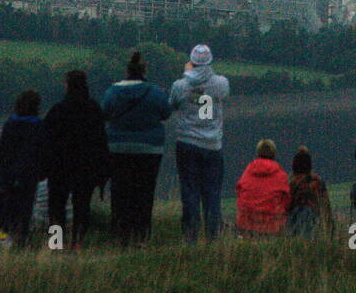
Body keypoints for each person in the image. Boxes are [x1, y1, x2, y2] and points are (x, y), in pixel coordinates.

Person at [102, 52, 171, 246]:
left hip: (118, 149)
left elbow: (104, 113)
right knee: (144, 193)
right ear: (144, 71)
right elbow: (166, 113)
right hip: (149, 150)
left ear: (127, 71)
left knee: (119, 192)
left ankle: (119, 234)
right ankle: (141, 236)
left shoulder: (112, 92)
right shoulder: (155, 92)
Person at [169, 44, 230, 243]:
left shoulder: (180, 85)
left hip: (187, 143)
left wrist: (187, 74)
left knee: (190, 191)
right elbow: (221, 92)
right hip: (212, 144)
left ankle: (191, 237)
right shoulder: (221, 83)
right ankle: (213, 236)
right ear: (210, 62)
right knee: (212, 193)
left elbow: (172, 104)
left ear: (191, 61)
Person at [44, 70, 110, 249]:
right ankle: (78, 242)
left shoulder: (58, 110)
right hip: (86, 167)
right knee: (82, 206)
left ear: (67, 86)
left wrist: (45, 166)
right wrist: (102, 169)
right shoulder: (94, 108)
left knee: (56, 207)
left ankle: (55, 244)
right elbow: (101, 140)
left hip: (60, 167)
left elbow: (46, 140)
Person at [0, 89, 49, 246]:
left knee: (10, 205)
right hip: (30, 172)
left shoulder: (9, 124)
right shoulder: (39, 126)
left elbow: (3, 150)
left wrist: (4, 169)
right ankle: (23, 239)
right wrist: (43, 171)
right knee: (26, 207)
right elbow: (44, 150)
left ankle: (7, 238)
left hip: (10, 172)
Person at [236, 139, 290, 236]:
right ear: (274, 154)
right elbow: (286, 201)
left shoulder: (247, 172)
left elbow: (239, 192)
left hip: (246, 225)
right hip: (272, 226)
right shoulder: (281, 175)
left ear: (258, 153)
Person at [287, 146, 333, 236]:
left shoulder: (290, 184)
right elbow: (326, 208)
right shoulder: (317, 182)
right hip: (315, 228)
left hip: (293, 230)